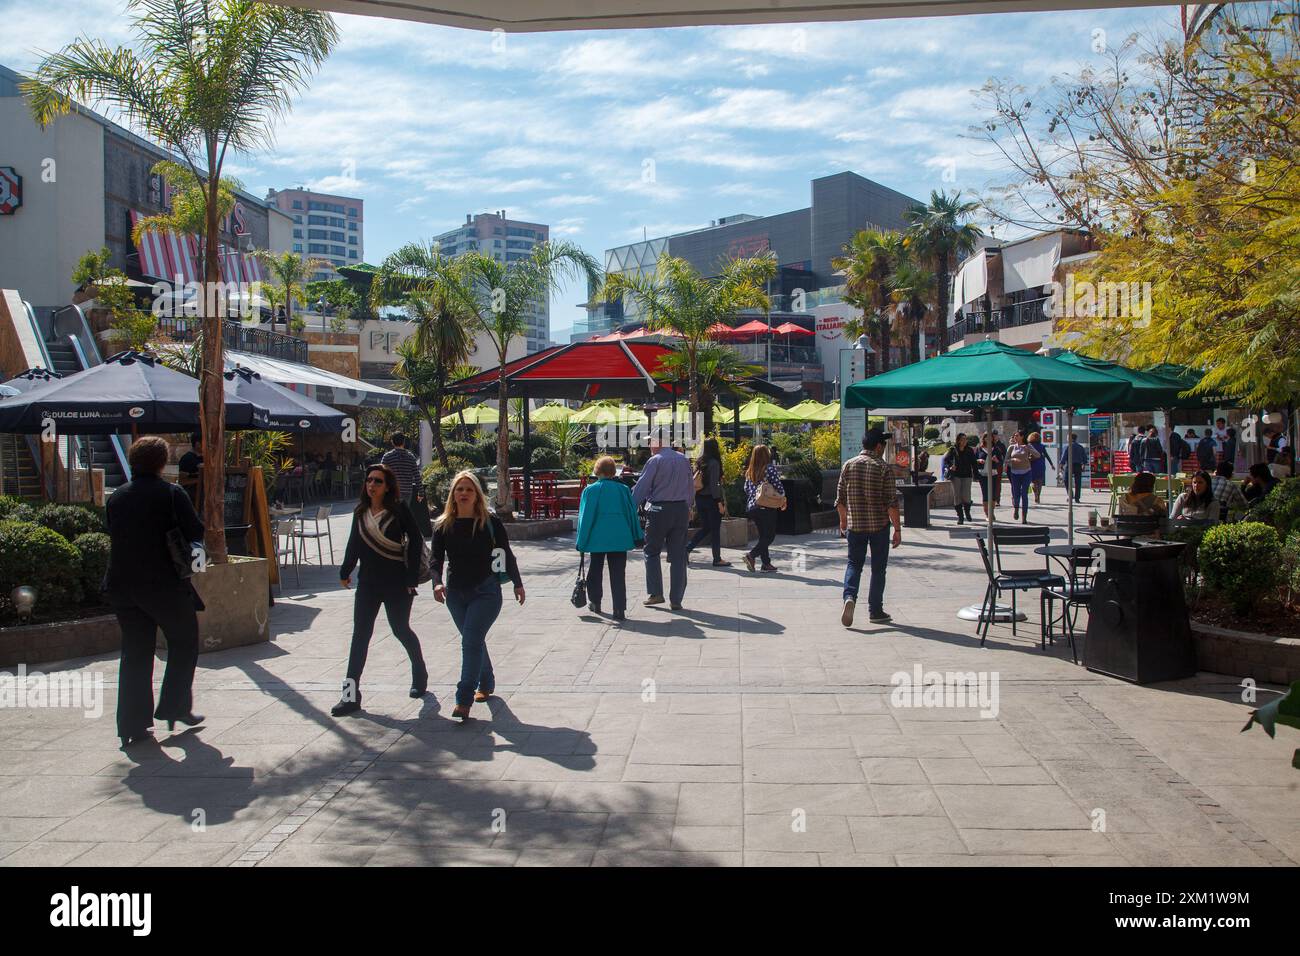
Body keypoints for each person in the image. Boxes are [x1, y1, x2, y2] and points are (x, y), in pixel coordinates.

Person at [105, 436, 205, 747]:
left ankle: (132, 724)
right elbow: (195, 531)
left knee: (134, 653)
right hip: (162, 585)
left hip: (123, 586)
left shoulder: (117, 497)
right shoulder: (171, 494)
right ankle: (174, 705)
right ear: (162, 463)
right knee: (184, 641)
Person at [333, 463, 427, 717]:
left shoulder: (399, 511)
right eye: (369, 480)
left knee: (400, 630)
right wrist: (345, 570)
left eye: (377, 481)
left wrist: (411, 578)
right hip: (368, 585)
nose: (371, 484)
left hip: (397, 583)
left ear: (388, 487)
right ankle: (350, 696)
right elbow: (354, 544)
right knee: (360, 636)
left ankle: (419, 672)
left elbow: (416, 539)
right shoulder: (360, 512)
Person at [431, 471, 524, 720]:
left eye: (469, 489)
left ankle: (463, 699)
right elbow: (436, 559)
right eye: (459, 489)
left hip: (486, 591)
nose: (463, 493)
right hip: (455, 594)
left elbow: (506, 553)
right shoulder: (443, 525)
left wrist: (518, 583)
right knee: (474, 640)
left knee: (469, 642)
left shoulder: (490, 522)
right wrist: (437, 583)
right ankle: (487, 681)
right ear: (453, 494)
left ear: (477, 495)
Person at [836, 428, 901, 627]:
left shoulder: (849, 465)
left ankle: (849, 597)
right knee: (878, 569)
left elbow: (840, 499)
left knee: (853, 564)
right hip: (879, 526)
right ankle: (875, 610)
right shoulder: (883, 468)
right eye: (884, 445)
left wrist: (843, 521)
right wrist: (897, 529)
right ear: (878, 446)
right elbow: (891, 503)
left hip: (855, 526)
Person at [630, 430, 694, 610]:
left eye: (650, 442)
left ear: (658, 442)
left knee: (651, 551)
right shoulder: (683, 459)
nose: (649, 445)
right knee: (678, 555)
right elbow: (690, 487)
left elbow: (642, 487)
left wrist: (630, 507)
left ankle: (656, 593)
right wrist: (689, 507)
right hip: (681, 509)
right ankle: (676, 599)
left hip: (659, 510)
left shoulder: (655, 460)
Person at [575, 456, 643, 621]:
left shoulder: (590, 491)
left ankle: (595, 602)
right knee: (618, 574)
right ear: (613, 471)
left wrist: (581, 542)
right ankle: (619, 609)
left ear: (597, 471)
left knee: (595, 571)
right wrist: (637, 535)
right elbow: (631, 515)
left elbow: (585, 518)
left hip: (596, 539)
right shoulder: (624, 490)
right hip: (620, 538)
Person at [742, 444, 786, 573]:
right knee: (770, 536)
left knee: (763, 536)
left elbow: (746, 489)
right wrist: (783, 499)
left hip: (753, 507)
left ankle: (766, 563)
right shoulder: (769, 468)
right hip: (766, 507)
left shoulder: (750, 470)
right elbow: (778, 486)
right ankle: (751, 555)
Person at [686, 437, 729, 567]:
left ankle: (687, 549)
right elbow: (714, 485)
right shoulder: (714, 463)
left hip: (700, 499)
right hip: (711, 500)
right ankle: (717, 559)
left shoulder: (700, 462)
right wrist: (719, 502)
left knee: (706, 528)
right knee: (714, 530)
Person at [1005, 430, 1040, 523]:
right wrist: (1012, 460)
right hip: (1015, 473)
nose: (1015, 437)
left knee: (1024, 494)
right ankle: (1016, 509)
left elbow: (1038, 455)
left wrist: (1029, 449)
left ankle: (1024, 517)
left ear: (1022, 437)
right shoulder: (1011, 447)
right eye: (1014, 436)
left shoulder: (1027, 446)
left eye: (1017, 436)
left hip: (1026, 473)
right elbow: (1006, 460)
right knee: (1016, 494)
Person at [942, 433, 976, 524]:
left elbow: (974, 463)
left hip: (967, 475)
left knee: (966, 495)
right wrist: (950, 466)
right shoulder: (953, 450)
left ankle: (967, 512)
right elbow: (946, 460)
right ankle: (960, 517)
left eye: (965, 439)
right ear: (958, 440)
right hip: (956, 475)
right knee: (957, 496)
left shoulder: (969, 450)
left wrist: (976, 475)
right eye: (962, 439)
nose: (964, 441)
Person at [975, 432, 1003, 518]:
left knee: (993, 495)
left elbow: (1001, 462)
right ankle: (987, 514)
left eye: (990, 437)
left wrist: (996, 460)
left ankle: (992, 512)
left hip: (993, 474)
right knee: (985, 494)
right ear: (984, 438)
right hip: (982, 474)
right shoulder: (979, 449)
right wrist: (978, 460)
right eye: (986, 437)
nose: (988, 439)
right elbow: (974, 460)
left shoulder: (996, 449)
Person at [1027, 430, 1053, 505]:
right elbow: (1047, 455)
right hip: (1041, 464)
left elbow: (1027, 455)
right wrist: (1051, 464)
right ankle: (1038, 496)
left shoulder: (1029, 445)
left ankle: (1036, 494)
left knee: (1034, 481)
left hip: (1032, 464)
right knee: (1040, 482)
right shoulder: (1041, 446)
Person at [1064, 434, 1087, 503]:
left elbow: (1064, 456)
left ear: (1070, 438)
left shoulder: (1067, 446)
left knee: (1066, 480)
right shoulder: (1080, 447)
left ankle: (1070, 495)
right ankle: (1077, 498)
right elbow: (1084, 457)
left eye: (1067, 437)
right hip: (1078, 466)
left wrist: (1061, 464)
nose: (1067, 439)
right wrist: (1084, 464)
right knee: (1078, 482)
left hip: (1069, 466)